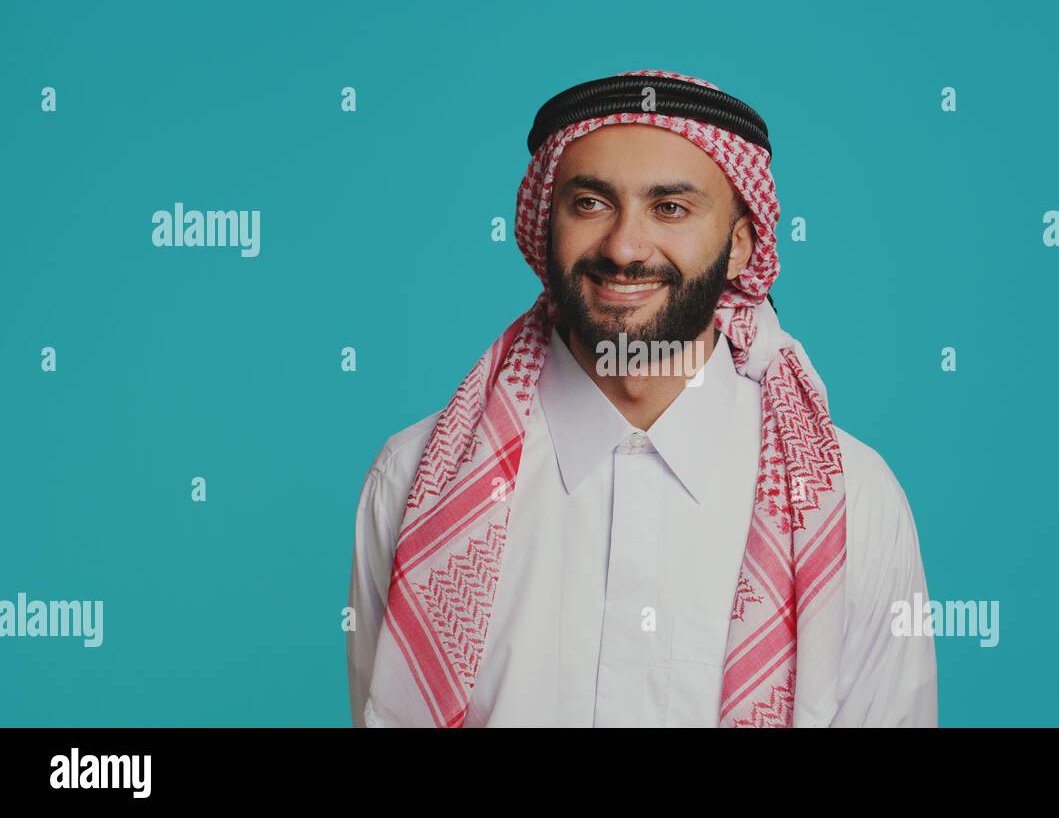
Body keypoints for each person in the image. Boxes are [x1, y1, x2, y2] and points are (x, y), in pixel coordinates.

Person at [347, 69, 937, 727]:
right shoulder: (415, 482)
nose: (625, 246)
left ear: (740, 245)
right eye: (591, 203)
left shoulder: (852, 501)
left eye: (671, 207)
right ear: (546, 225)